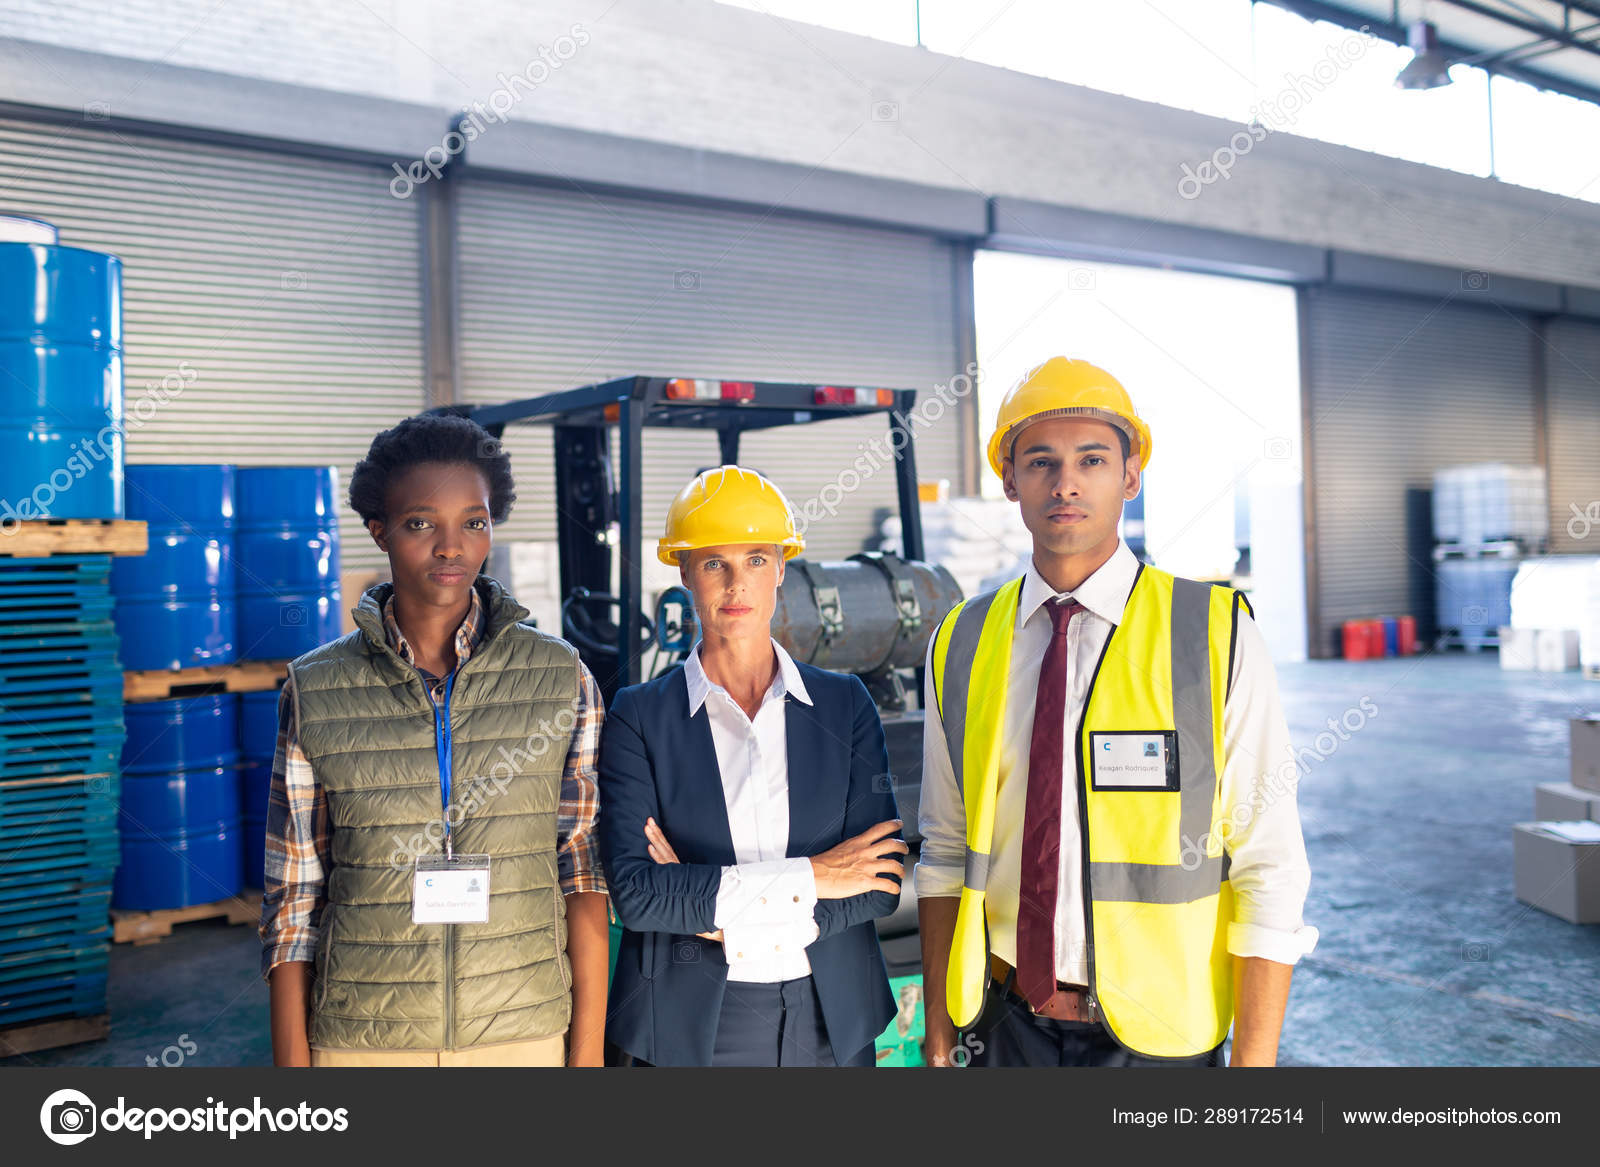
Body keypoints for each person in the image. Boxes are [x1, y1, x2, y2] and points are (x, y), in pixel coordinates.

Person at [916, 357, 1317, 1068]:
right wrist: (942, 1030)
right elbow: (946, 850)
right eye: (1040, 461)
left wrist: (1256, 1065)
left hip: (1161, 1036)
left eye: (1092, 459)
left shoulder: (1215, 635)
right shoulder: (962, 641)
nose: (1065, 483)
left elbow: (1270, 864)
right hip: (1003, 1025)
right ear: (1008, 481)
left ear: (1131, 475)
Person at [259, 412, 610, 1067]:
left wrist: (585, 1055)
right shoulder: (315, 689)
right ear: (379, 529)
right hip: (363, 1040)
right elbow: (293, 897)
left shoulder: (561, 676)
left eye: (473, 522)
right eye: (422, 522)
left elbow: (582, 874)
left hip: (522, 1031)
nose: (452, 546)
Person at [598, 466, 904, 1067]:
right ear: (684, 572)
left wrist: (715, 913)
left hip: (829, 1018)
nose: (737, 583)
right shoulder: (639, 717)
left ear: (782, 568)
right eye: (715, 563)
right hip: (695, 1028)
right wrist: (815, 875)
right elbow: (638, 895)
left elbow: (880, 881)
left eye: (757, 559)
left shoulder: (844, 706)